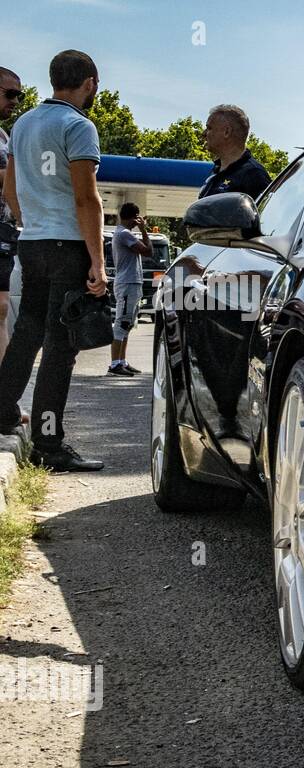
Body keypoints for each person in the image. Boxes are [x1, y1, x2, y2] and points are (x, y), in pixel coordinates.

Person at [0, 50, 106, 472]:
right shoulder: (78, 126)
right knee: (61, 347)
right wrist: (97, 261)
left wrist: (32, 221)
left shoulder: (22, 124)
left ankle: (3, 410)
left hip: (33, 242)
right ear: (90, 83)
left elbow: (10, 190)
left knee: (27, 333)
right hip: (68, 245)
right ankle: (49, 444)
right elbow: (86, 197)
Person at [107, 202, 150, 376]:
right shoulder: (124, 234)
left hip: (132, 282)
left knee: (128, 324)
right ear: (133, 217)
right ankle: (114, 364)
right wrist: (144, 230)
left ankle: (122, 361)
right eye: (137, 218)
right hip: (127, 283)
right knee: (121, 323)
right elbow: (148, 251)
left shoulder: (125, 234)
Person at [199, 105, 272, 201]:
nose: (204, 134)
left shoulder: (254, 175)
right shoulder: (217, 170)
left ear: (227, 132)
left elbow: (263, 214)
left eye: (209, 128)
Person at [0, 66, 22, 368]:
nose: (16, 101)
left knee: (2, 309)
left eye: (20, 95)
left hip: (4, 232)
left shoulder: (4, 135)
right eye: (11, 94)